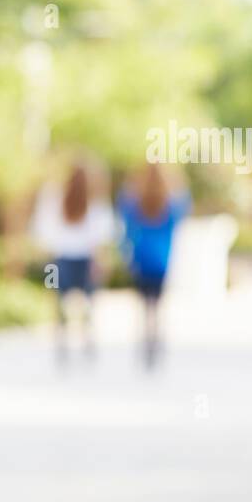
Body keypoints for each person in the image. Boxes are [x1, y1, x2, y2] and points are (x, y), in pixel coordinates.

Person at [30, 156, 115, 364]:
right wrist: (101, 260)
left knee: (58, 301)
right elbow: (103, 232)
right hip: (86, 258)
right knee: (88, 302)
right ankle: (87, 338)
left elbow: (42, 229)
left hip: (58, 259)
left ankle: (62, 341)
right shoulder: (95, 198)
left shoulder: (54, 196)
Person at [117, 162, 191, 370]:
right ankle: (155, 340)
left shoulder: (136, 204)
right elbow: (184, 206)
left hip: (140, 259)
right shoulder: (169, 204)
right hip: (162, 261)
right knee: (157, 306)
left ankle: (146, 341)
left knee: (144, 306)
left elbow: (123, 211)